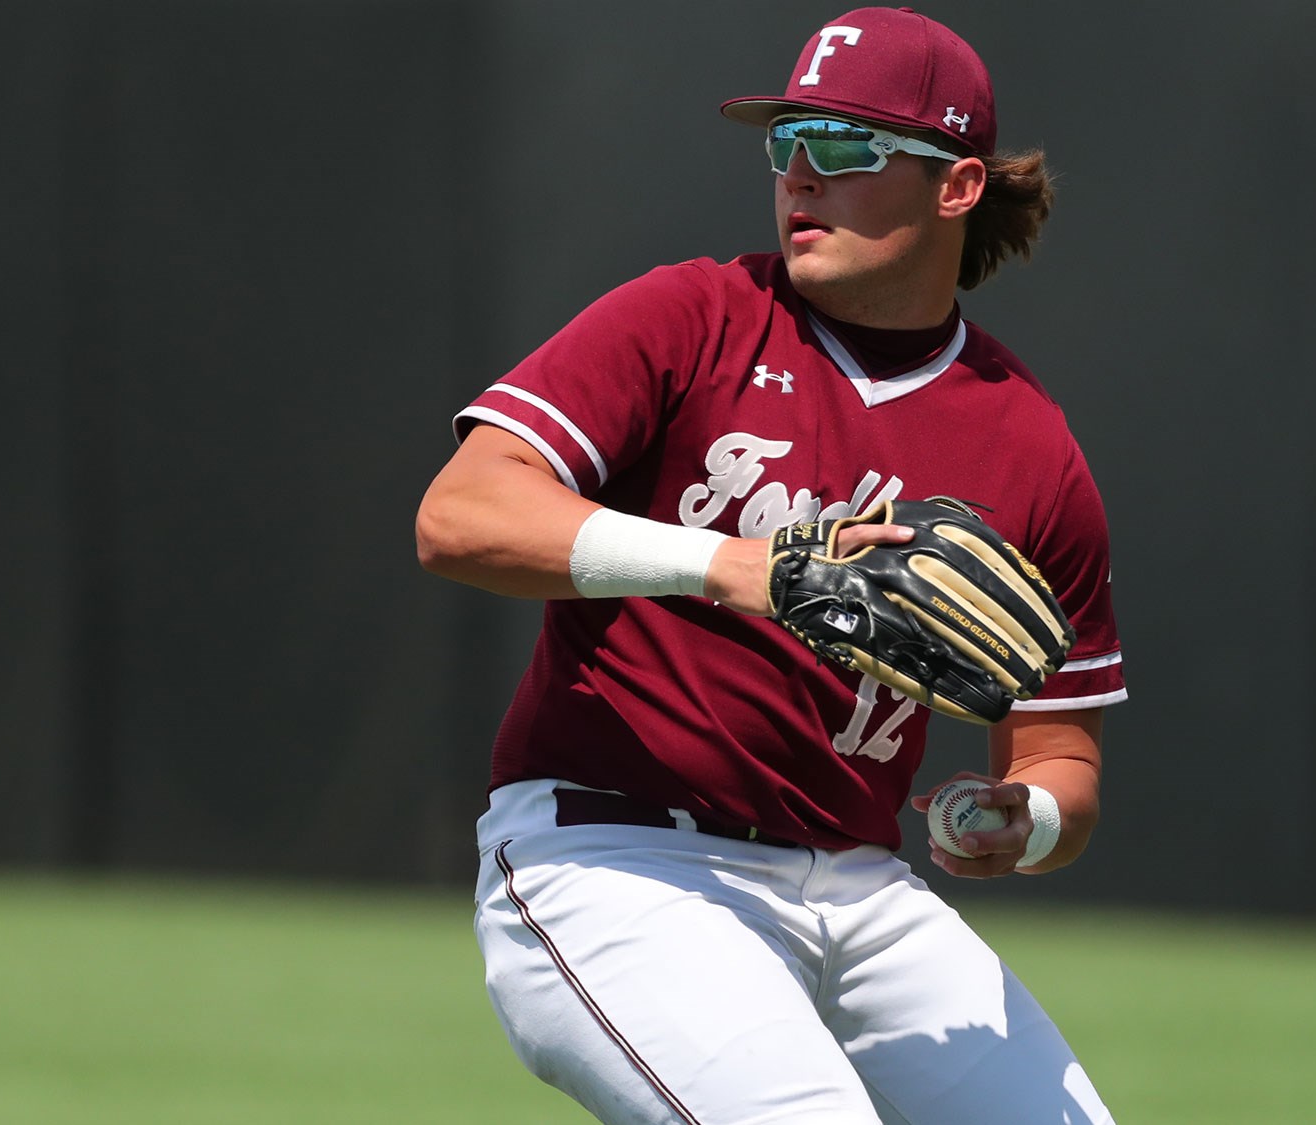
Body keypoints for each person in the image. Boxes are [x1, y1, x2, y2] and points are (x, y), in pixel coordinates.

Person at [415, 7, 1126, 1123]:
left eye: (844, 149)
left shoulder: (1026, 440)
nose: (801, 175)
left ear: (954, 186)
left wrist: (1018, 817)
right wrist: (727, 566)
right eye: (785, 144)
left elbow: (1057, 753)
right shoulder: (693, 317)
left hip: (859, 883)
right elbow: (461, 516)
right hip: (621, 859)